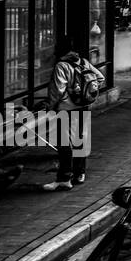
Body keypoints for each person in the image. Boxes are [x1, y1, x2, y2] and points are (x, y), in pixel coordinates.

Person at [40, 45, 98, 191]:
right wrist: (86, 95)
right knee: (79, 140)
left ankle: (64, 178)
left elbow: (57, 90)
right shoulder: (83, 62)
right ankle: (79, 173)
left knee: (63, 142)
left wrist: (50, 105)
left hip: (65, 108)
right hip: (83, 106)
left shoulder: (61, 66)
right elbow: (100, 78)